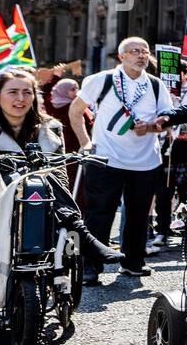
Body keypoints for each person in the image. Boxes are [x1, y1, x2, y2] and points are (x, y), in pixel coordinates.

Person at [0, 68, 122, 272]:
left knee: (50, 177)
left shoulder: (50, 127)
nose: (20, 99)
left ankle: (81, 236)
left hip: (39, 199)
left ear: (34, 97)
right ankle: (83, 237)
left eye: (27, 92)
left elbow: (59, 172)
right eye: (13, 92)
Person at [68, 36, 174, 285]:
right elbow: (75, 111)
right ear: (122, 56)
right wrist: (85, 142)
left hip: (145, 162)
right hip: (106, 158)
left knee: (138, 216)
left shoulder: (157, 85)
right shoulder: (101, 80)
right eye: (135, 51)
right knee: (98, 214)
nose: (141, 56)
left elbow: (166, 123)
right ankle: (91, 267)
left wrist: (149, 128)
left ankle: (133, 263)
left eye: (145, 51)